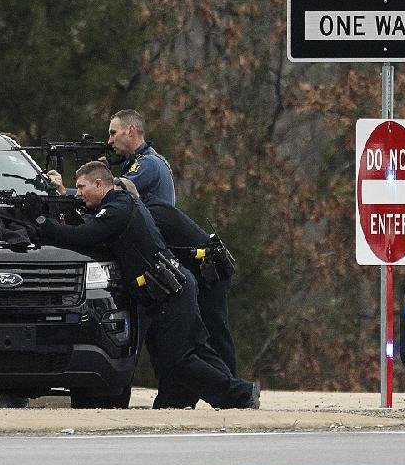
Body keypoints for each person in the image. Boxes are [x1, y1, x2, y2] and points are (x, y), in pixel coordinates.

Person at [34, 161, 258, 410]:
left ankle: (239, 394)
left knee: (177, 359)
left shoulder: (117, 208)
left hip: (170, 293)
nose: (79, 193)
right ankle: (220, 396)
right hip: (172, 290)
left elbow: (85, 235)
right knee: (196, 350)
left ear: (99, 184)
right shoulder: (121, 204)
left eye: (81, 187)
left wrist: (43, 223)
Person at [116, 178, 238, 409]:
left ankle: (231, 390)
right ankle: (187, 396)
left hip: (208, 274)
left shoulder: (151, 213)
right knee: (193, 340)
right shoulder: (149, 207)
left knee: (212, 334)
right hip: (193, 277)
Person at [107, 109, 175, 205]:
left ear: (130, 131)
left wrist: (97, 175)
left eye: (113, 133)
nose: (109, 141)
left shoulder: (148, 162)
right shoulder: (143, 159)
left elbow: (111, 193)